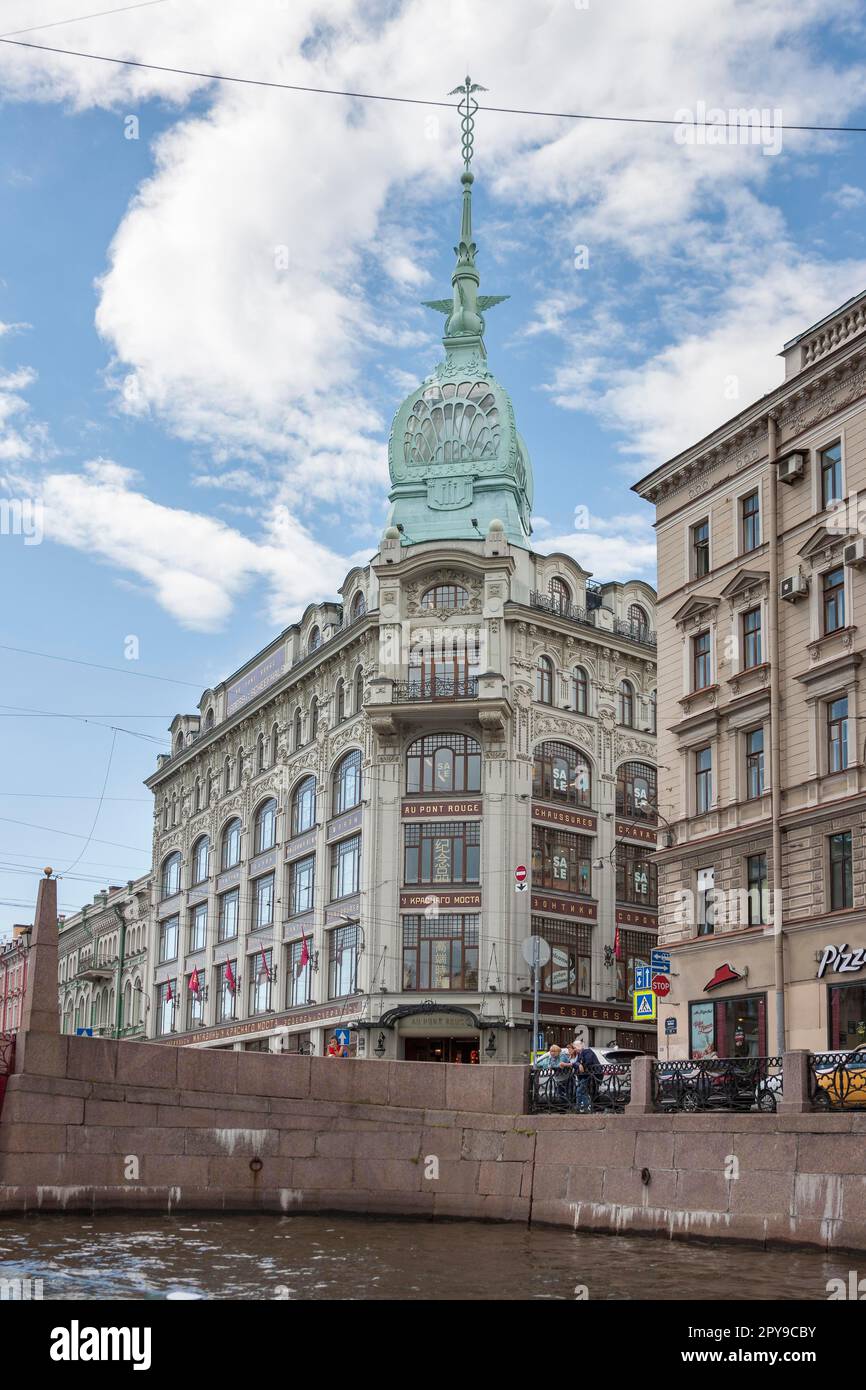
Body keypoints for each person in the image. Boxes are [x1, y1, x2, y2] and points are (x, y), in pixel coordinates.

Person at [571, 1042, 604, 1112]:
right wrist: (579, 1065)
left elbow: (588, 1062)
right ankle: (589, 1108)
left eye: (575, 1048)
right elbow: (575, 1063)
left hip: (592, 1076)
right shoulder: (580, 1053)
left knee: (582, 1091)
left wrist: (580, 1064)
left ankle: (581, 1108)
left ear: (579, 1046)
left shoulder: (588, 1051)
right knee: (585, 1092)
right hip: (585, 1076)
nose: (574, 1050)